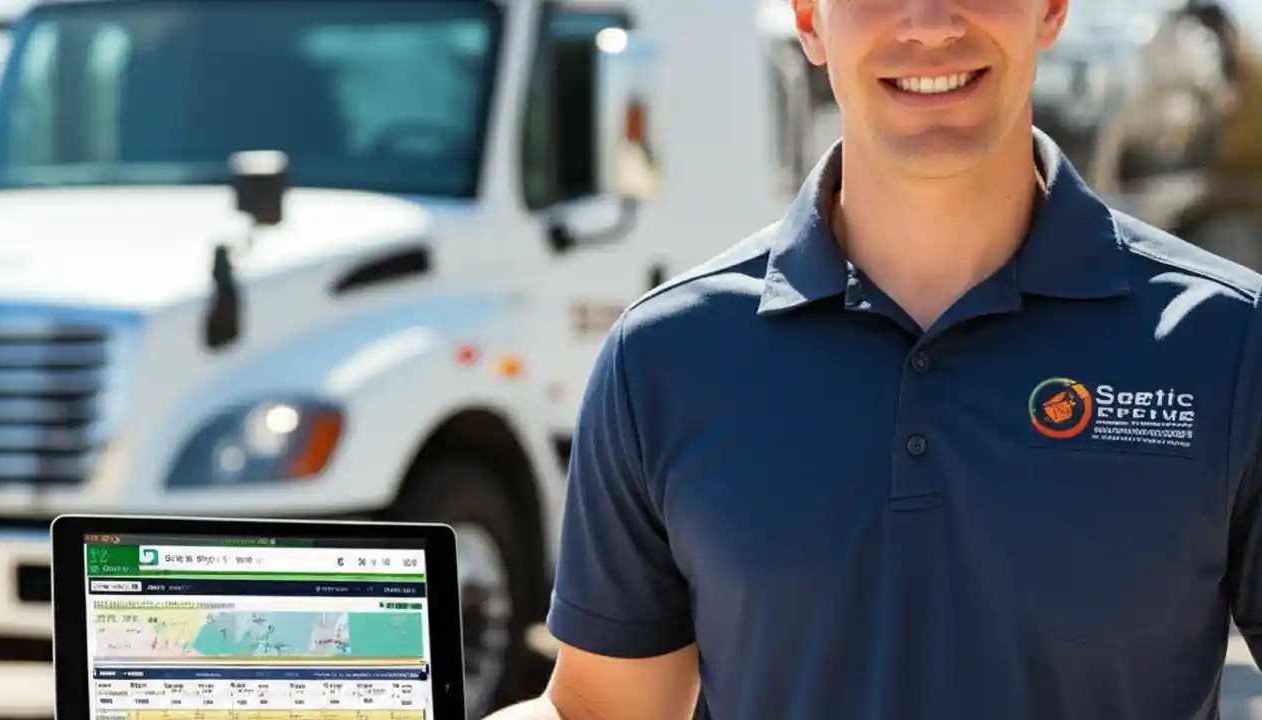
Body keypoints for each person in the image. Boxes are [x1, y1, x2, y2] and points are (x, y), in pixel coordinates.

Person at [489, 0, 1262, 717]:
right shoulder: (665, 357)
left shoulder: (1230, 343)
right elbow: (601, 706)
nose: (928, 23)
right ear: (809, 19)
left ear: (1052, 8)